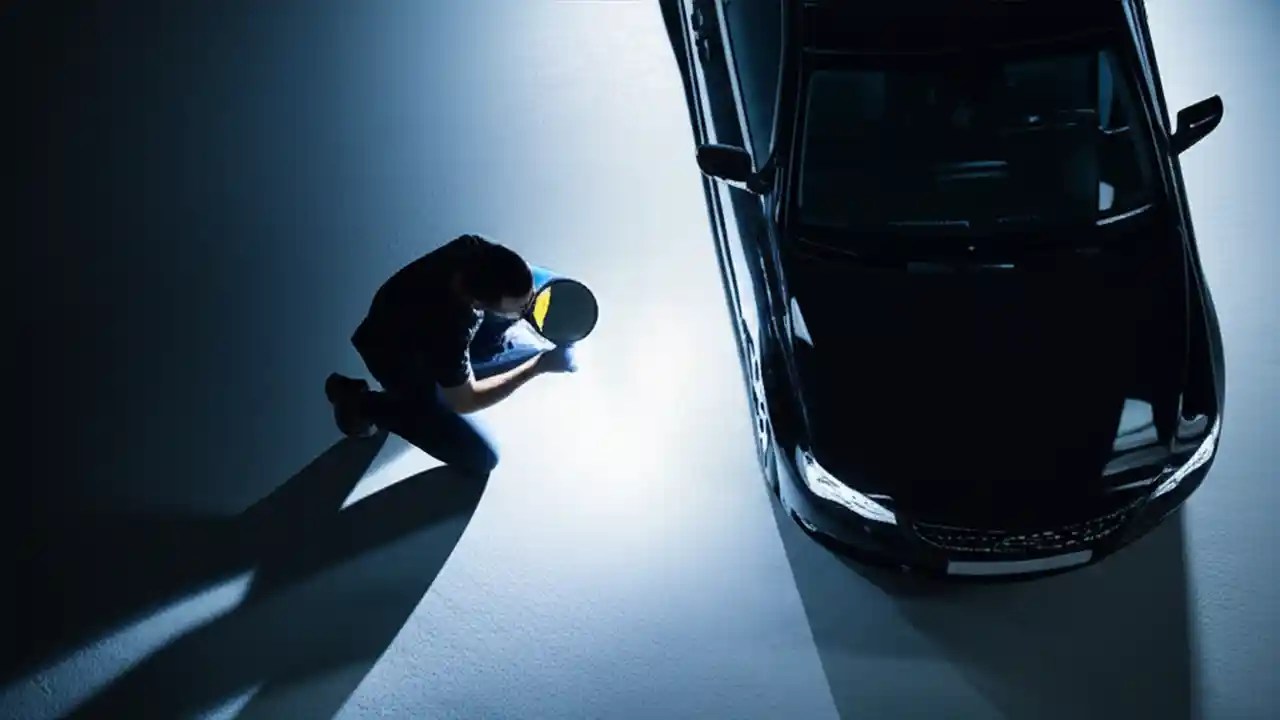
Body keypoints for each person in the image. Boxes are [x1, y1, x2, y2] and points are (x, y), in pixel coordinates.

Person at [324, 234, 577, 477]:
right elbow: (464, 401)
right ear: (478, 302)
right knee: (482, 458)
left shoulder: (474, 248)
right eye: (523, 308)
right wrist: (537, 367)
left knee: (522, 312)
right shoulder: (450, 330)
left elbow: (520, 278)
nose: (528, 310)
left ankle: (494, 336)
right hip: (395, 358)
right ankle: (362, 404)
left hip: (403, 319)